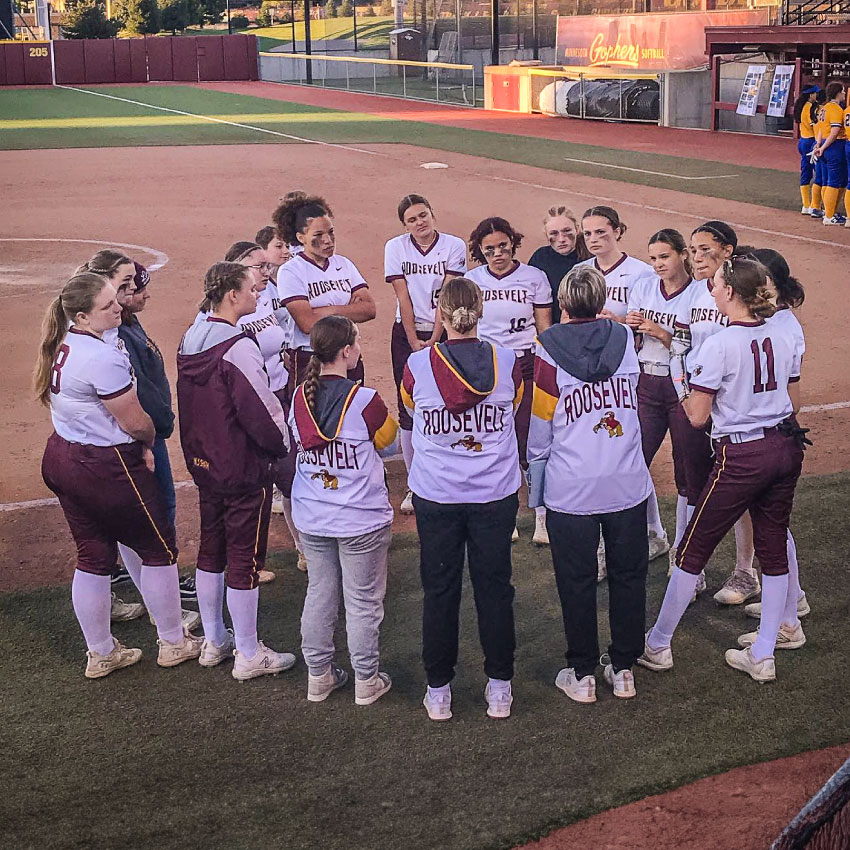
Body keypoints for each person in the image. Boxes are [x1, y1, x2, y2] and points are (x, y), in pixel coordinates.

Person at [640, 256, 807, 682]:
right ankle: (764, 652)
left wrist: (679, 375)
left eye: (715, 284)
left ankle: (658, 644)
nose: (710, 289)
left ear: (731, 292)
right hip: (785, 447)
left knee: (692, 549)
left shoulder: (720, 344)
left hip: (742, 457)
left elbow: (696, 417)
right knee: (773, 549)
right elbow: (791, 395)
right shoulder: (783, 330)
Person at [36, 272, 200, 678]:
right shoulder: (102, 357)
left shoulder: (66, 341)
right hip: (107, 466)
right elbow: (135, 422)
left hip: (63, 457)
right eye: (107, 305)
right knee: (158, 550)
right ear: (82, 316)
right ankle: (174, 642)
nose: (118, 307)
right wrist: (148, 442)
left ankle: (101, 653)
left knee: (93, 555)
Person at [529, 265, 652, 703]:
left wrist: (536, 485)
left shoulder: (547, 347)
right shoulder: (624, 339)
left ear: (563, 303)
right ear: (601, 302)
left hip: (571, 487)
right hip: (626, 481)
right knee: (629, 576)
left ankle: (582, 674)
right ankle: (623, 669)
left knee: (576, 581)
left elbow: (541, 425)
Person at [402, 277, 523, 721]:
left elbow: (412, 412)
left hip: (437, 494)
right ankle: (500, 687)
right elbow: (513, 410)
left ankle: (438, 690)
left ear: (441, 315)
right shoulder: (507, 361)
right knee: (495, 588)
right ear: (480, 311)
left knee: (439, 590)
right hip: (494, 493)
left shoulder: (417, 364)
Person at [177, 261, 296, 681]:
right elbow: (261, 409)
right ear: (232, 295)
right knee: (244, 558)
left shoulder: (190, 337)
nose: (256, 295)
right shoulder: (238, 346)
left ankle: (214, 641)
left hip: (205, 463)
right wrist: (281, 446)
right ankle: (248, 653)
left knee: (211, 551)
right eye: (250, 289)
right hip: (241, 466)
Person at [290, 316, 399, 706]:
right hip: (360, 518)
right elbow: (390, 445)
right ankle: (366, 681)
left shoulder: (299, 397)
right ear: (347, 351)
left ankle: (318, 677)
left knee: (319, 593)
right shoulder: (365, 400)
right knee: (363, 601)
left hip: (312, 515)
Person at [671, 220, 758, 606]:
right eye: (693, 250)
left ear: (728, 251)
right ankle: (691, 570)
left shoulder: (748, 293)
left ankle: (745, 571)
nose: (697, 256)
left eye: (705, 249)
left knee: (742, 490)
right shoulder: (693, 293)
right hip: (698, 403)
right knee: (691, 485)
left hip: (737, 410)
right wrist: (685, 394)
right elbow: (679, 347)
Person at [465, 216, 552, 545]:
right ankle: (507, 514)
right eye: (489, 249)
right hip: (489, 366)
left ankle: (541, 516)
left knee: (530, 438)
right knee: (496, 439)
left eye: (503, 246)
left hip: (526, 363)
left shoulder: (534, 277)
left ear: (513, 243)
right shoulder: (472, 281)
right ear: (480, 251)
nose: (497, 254)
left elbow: (544, 328)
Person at [385, 193, 467, 516]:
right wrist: (412, 340)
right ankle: (413, 481)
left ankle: (450, 472)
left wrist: (434, 338)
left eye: (423, 215)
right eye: (412, 219)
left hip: (444, 330)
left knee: (447, 400)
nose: (419, 222)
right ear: (404, 225)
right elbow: (402, 297)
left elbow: (447, 295)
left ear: (433, 214)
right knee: (408, 404)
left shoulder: (453, 245)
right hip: (405, 331)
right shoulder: (396, 247)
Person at [742, 247, 811, 626]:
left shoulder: (780, 328)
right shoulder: (776, 320)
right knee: (773, 526)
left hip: (770, 436)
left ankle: (789, 609)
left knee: (774, 528)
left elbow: (792, 399)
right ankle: (791, 598)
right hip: (773, 435)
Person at [224, 240, 299, 582]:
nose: (267, 272)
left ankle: (305, 549)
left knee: (290, 475)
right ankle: (248, 563)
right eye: (259, 266)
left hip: (278, 396)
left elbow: (280, 332)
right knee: (256, 485)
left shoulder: (266, 297)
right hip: (251, 406)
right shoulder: (225, 313)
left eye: (268, 266)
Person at [625, 229, 695, 565]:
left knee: (687, 470)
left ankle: (684, 550)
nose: (657, 264)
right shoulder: (643, 287)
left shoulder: (697, 293)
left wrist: (660, 333)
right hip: (647, 382)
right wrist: (629, 325)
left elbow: (697, 346)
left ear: (683, 254)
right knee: (634, 460)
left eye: (664, 256)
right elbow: (634, 338)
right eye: (653, 258)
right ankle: (654, 534)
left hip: (681, 384)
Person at [273, 192, 377, 393]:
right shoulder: (291, 271)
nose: (328, 240)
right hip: (310, 358)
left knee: (351, 409)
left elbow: (369, 309)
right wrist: (348, 310)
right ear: (301, 238)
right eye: (318, 235)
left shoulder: (344, 264)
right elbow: (307, 323)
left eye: (331, 232)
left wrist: (327, 311)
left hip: (347, 355)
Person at [576, 206, 655, 321]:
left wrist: (618, 320)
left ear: (616, 232)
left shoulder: (643, 272)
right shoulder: (578, 271)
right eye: (587, 234)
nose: (593, 239)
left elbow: (651, 319)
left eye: (600, 232)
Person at [528, 205, 590, 324]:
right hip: (552, 328)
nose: (561, 239)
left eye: (567, 231)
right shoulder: (540, 259)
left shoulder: (590, 257)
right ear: (546, 235)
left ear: (577, 229)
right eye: (554, 233)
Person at [813, 81, 847, 226]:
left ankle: (829, 212)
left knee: (828, 181)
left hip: (825, 145)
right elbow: (834, 132)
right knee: (834, 182)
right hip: (834, 146)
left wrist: (819, 144)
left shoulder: (824, 108)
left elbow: (821, 128)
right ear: (838, 93)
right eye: (843, 91)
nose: (844, 93)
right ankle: (829, 215)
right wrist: (823, 147)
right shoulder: (836, 109)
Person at [792, 85, 819, 214]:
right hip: (811, 141)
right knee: (818, 173)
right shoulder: (810, 108)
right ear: (811, 95)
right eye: (815, 93)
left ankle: (806, 205)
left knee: (805, 172)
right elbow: (814, 125)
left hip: (803, 140)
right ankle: (814, 205)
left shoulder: (801, 106)